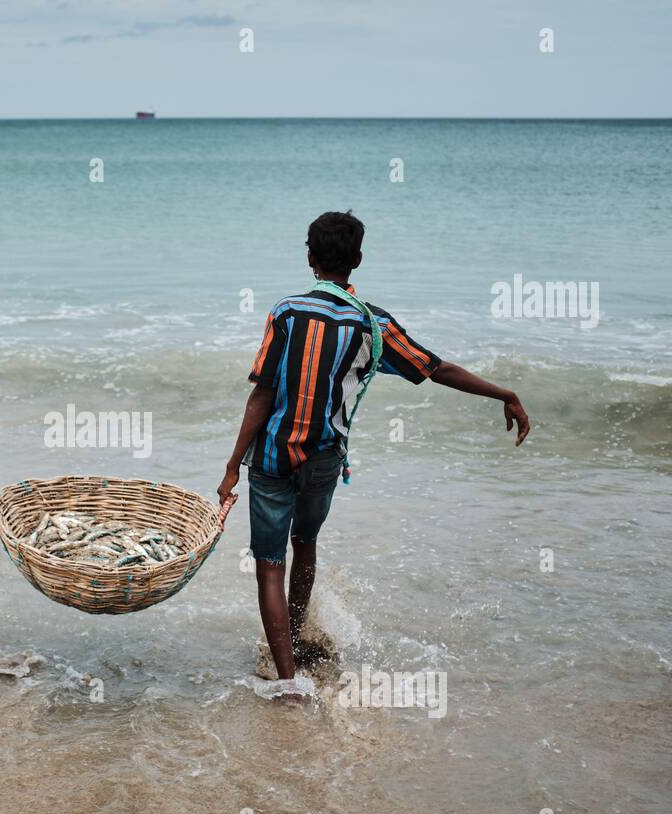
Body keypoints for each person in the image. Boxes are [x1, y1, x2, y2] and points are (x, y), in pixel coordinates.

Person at [217, 210, 530, 686]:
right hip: (324, 458)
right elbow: (435, 368)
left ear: (309, 258)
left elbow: (262, 392)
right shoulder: (373, 325)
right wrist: (503, 393)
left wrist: (232, 466)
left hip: (274, 458)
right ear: (357, 260)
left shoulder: (287, 312)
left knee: (269, 564)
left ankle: (287, 682)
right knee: (305, 545)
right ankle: (297, 643)